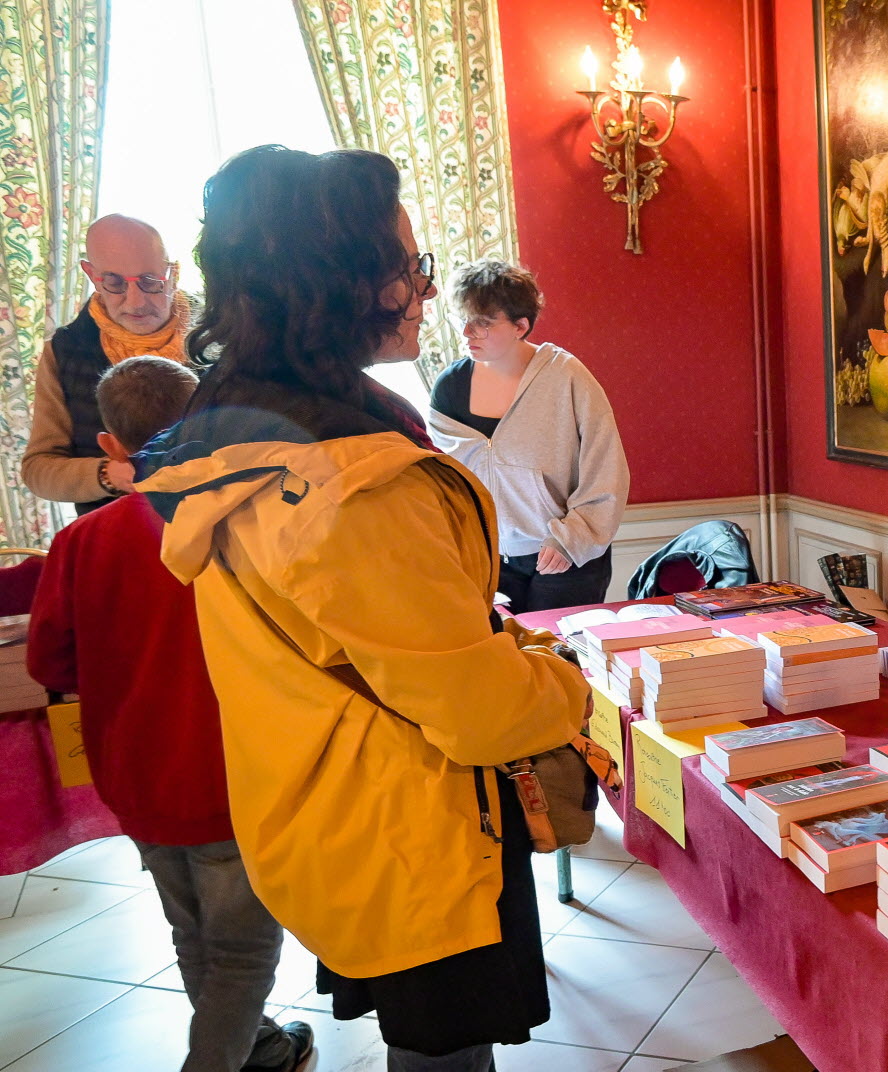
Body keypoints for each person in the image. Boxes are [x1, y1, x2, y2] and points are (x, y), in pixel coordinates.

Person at [138, 145, 591, 1072]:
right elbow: (477, 709)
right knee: (444, 1055)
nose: (424, 291)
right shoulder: (350, 480)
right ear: (331, 283)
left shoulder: (241, 429)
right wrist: (567, 683)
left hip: (335, 803)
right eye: (406, 266)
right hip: (415, 825)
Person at [27, 356, 313, 1072]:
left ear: (110, 449)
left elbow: (49, 664)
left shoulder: (79, 542)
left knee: (192, 935)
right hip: (230, 774)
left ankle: (263, 1048)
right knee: (244, 948)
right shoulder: (244, 523)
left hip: (134, 773)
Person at [426, 259, 628, 613]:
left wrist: (570, 539)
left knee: (560, 662)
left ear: (521, 325)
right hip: (487, 558)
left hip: (565, 556)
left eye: (484, 323)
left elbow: (605, 466)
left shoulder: (567, 377)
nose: (467, 333)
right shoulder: (450, 388)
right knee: (502, 661)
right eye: (464, 320)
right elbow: (441, 479)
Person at [21, 214, 194, 513]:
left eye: (150, 282)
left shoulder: (217, 334)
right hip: (118, 538)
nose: (135, 301)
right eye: (115, 283)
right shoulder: (64, 352)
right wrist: (109, 474)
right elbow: (38, 470)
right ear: (91, 275)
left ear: (174, 273)